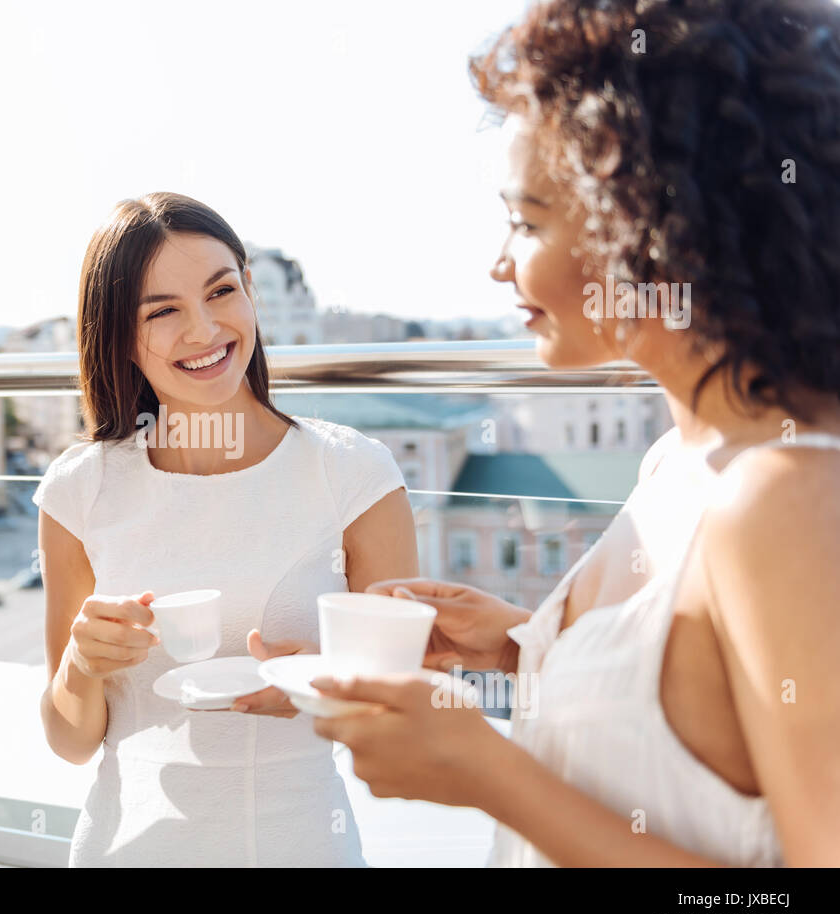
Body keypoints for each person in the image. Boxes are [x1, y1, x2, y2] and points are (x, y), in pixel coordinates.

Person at [313, 0, 840, 866]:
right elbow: (700, 717)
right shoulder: (681, 455)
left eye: (525, 221)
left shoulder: (785, 495)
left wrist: (487, 773)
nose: (498, 261)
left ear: (653, 227)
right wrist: (528, 645)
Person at [33, 192, 419, 866]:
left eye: (222, 291)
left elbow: (407, 722)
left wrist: (321, 684)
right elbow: (69, 741)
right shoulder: (78, 491)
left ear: (251, 294)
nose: (205, 329)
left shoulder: (355, 475)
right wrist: (81, 662)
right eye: (164, 312)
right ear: (121, 336)